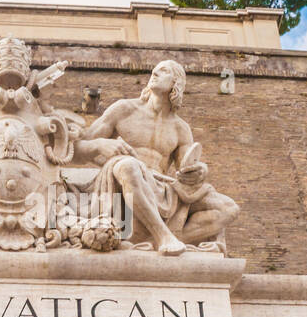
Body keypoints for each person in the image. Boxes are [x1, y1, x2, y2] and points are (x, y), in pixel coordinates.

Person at [74, 59, 238, 253]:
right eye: (154, 70)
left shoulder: (180, 128)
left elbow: (186, 170)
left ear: (176, 83)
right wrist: (100, 144)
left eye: (163, 71)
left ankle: (157, 239)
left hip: (160, 185)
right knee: (129, 166)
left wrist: (200, 170)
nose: (155, 73)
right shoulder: (124, 109)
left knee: (229, 208)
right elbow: (76, 151)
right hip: (121, 180)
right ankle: (163, 237)